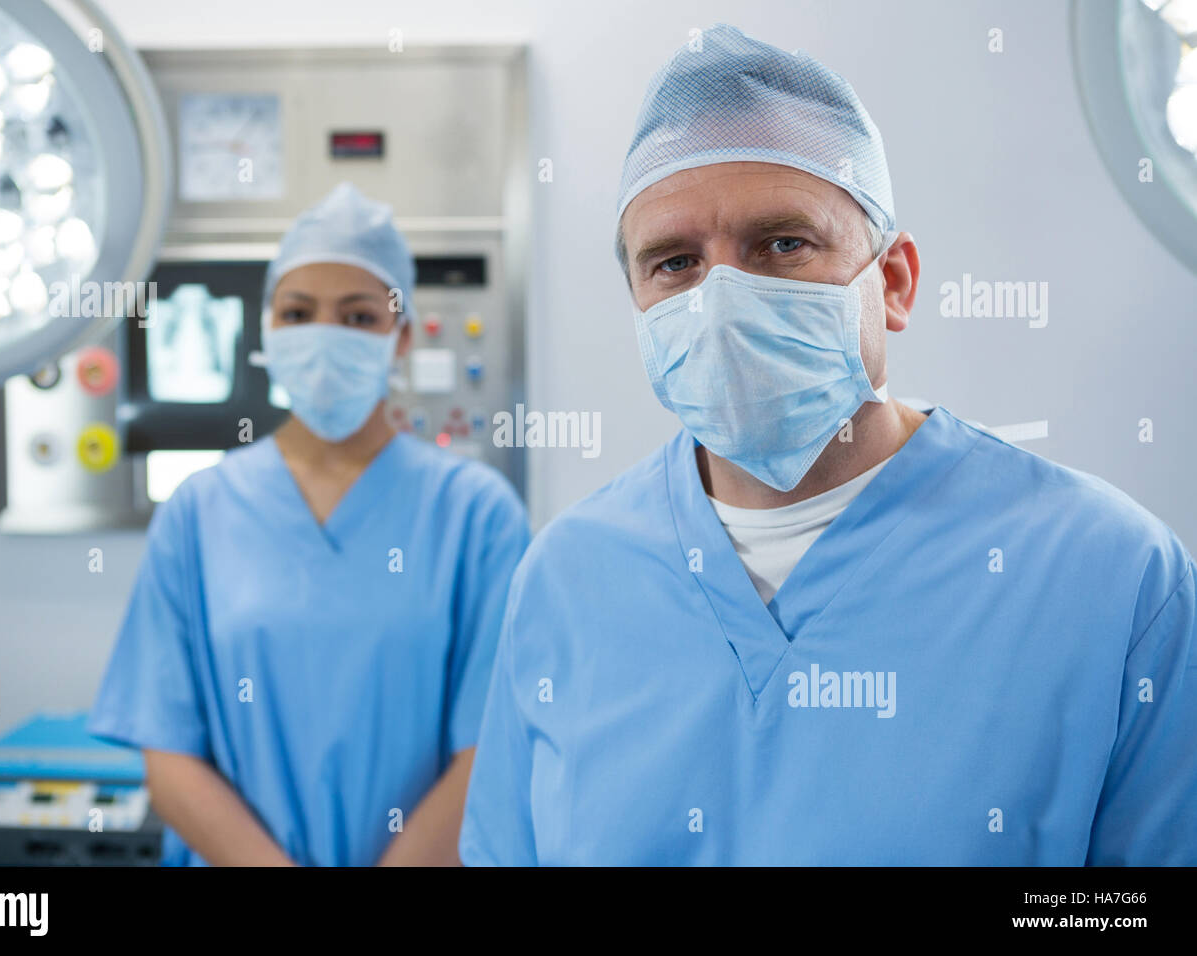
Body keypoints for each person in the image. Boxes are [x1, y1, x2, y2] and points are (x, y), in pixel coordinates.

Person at [459, 24, 1197, 865]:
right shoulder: (568, 580)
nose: (723, 296)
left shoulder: (1107, 577)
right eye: (674, 263)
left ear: (893, 281)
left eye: (782, 244)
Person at [89, 182, 530, 866]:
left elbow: (491, 751)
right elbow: (168, 753)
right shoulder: (199, 513)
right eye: (298, 313)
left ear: (402, 335)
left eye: (358, 317)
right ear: (267, 330)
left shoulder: (475, 515)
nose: (325, 337)